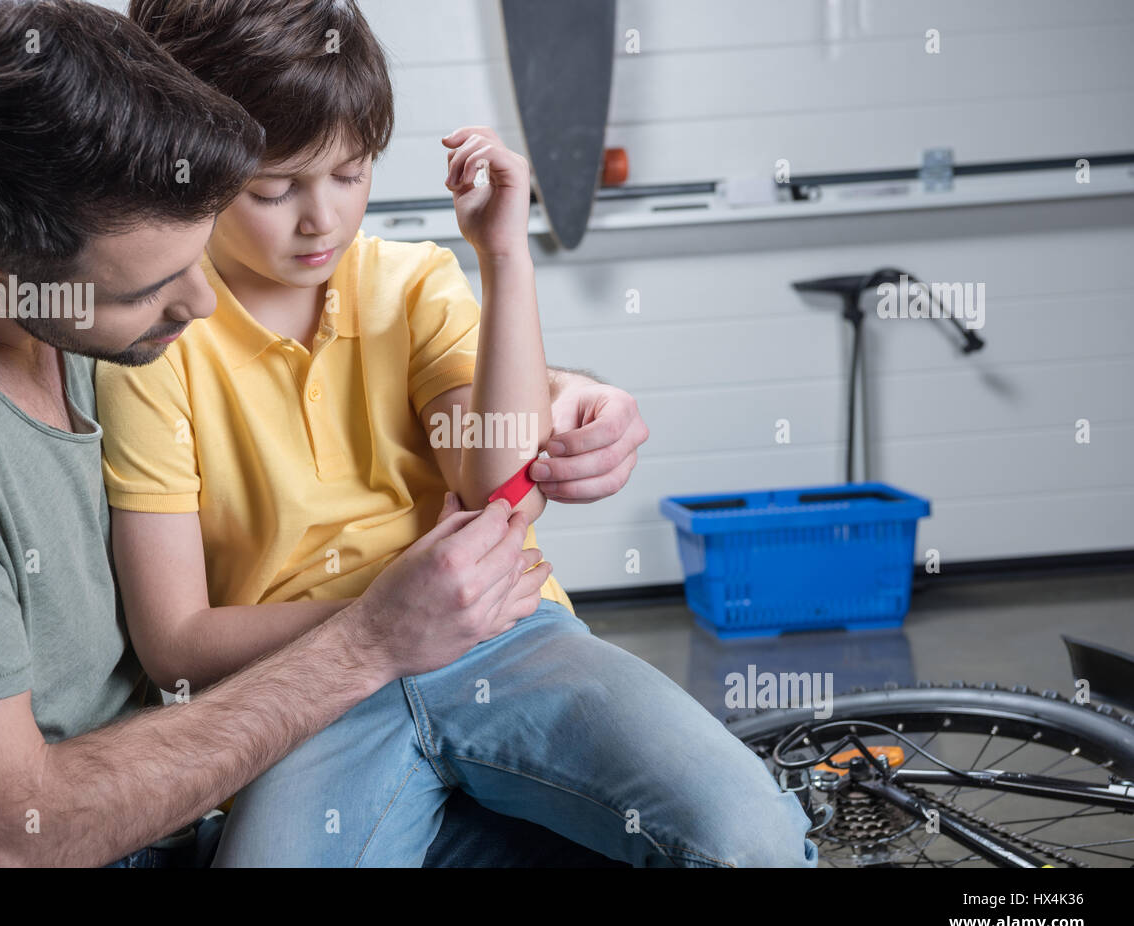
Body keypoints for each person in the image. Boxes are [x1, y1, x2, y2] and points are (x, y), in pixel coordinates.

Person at [0, 0, 647, 868]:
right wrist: (373, 634)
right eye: (157, 289)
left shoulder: (23, 200)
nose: (207, 305)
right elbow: (11, 836)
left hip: (202, 788)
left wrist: (567, 389)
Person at [94, 0, 818, 867]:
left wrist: (504, 256)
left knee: (753, 840)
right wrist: (385, 618)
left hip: (505, 639)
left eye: (351, 172)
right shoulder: (157, 342)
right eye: (275, 189)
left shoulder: (414, 282)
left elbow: (495, 486)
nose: (321, 218)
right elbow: (174, 643)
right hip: (310, 688)